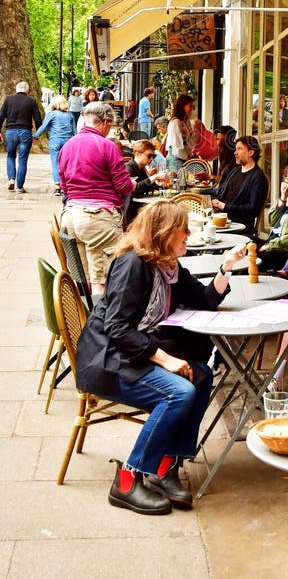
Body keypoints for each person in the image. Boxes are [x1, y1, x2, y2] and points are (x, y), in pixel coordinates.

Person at [75, 199, 248, 515]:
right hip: (108, 361)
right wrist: (165, 359)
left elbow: (204, 301)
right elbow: (116, 328)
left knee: (203, 374)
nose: (188, 235)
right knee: (179, 392)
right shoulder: (133, 265)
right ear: (164, 232)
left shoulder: (168, 265)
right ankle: (127, 479)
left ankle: (165, 467)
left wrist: (226, 267)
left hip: (132, 354)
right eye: (183, 229)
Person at [59, 102, 136, 295]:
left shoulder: (67, 146)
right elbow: (123, 186)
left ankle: (85, 321)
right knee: (102, 281)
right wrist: (133, 184)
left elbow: (64, 187)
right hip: (97, 218)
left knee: (84, 281)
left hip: (70, 217)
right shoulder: (106, 146)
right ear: (106, 122)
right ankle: (102, 324)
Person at [211, 135, 269, 235]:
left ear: (250, 152)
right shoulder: (234, 171)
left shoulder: (258, 178)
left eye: (239, 149)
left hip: (239, 225)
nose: (235, 153)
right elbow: (219, 192)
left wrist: (224, 206)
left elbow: (252, 209)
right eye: (235, 149)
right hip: (220, 218)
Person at [0, 80, 42, 193]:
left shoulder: (8, 100)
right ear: (27, 91)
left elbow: (1, 116)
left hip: (11, 132)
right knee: (23, 160)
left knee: (10, 156)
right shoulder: (31, 101)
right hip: (25, 132)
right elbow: (38, 120)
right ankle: (19, 187)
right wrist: (37, 135)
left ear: (16, 89)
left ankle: (11, 179)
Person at [33, 94, 77, 196]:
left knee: (55, 163)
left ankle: (58, 187)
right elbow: (75, 131)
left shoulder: (51, 114)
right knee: (67, 164)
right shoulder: (70, 115)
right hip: (68, 142)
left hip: (55, 141)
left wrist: (35, 136)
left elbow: (43, 127)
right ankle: (67, 185)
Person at [125, 139, 169, 224]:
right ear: (137, 154)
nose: (151, 159)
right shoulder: (129, 167)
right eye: (149, 156)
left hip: (142, 208)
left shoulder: (142, 167)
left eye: (153, 156)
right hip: (132, 212)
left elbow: (150, 188)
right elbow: (134, 189)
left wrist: (162, 185)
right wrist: (155, 177)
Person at [164, 94, 197, 170]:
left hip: (184, 157)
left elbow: (190, 142)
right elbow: (177, 146)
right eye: (190, 106)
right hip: (176, 159)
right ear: (182, 107)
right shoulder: (176, 122)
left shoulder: (186, 122)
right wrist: (187, 159)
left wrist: (196, 130)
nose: (192, 109)